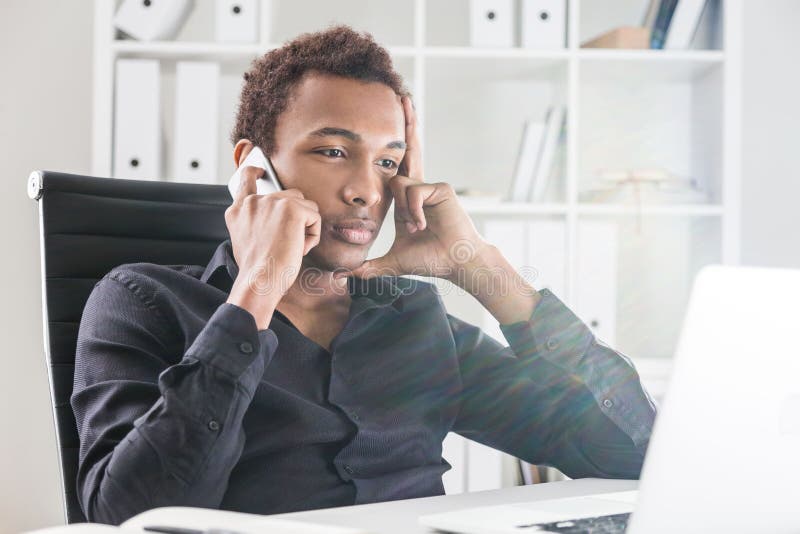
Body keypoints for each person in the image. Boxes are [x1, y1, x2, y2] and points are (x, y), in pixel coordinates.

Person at [71, 25, 656, 525]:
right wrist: (256, 291)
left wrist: (479, 267)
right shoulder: (143, 300)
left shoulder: (413, 318)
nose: (365, 190)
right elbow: (130, 516)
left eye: (388, 162)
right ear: (253, 169)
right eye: (332, 151)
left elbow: (628, 457)